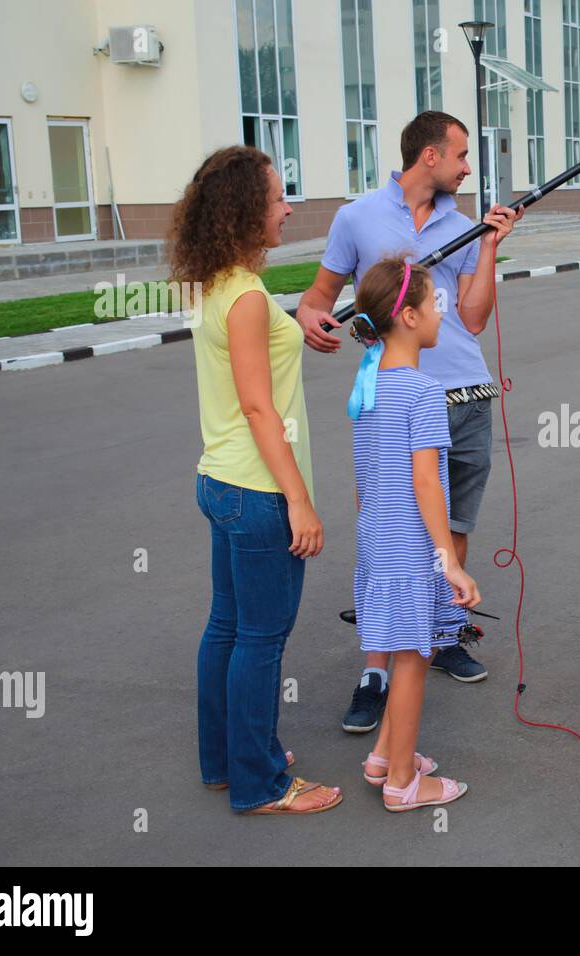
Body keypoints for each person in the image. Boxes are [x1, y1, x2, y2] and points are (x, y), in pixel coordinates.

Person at [293, 111, 519, 730]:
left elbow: (472, 319)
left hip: (464, 392)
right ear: (429, 157)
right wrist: (307, 318)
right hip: (391, 396)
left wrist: (490, 246)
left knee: (452, 522)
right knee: (387, 531)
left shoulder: (467, 224)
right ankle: (376, 670)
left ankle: (442, 634)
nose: (467, 168)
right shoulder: (357, 217)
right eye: (461, 156)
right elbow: (317, 298)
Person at [171, 146, 341, 814]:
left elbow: (251, 351)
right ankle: (262, 782)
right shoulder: (242, 297)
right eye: (276, 197)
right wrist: (299, 500)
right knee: (261, 640)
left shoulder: (219, 282)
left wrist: (294, 319)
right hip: (256, 489)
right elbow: (257, 406)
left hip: (220, 480)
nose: (288, 207)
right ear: (246, 210)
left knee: (228, 627)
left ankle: (227, 759)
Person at [346, 255, 482, 810]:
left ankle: (384, 754)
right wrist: (448, 557)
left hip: (378, 543)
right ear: (406, 316)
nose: (440, 313)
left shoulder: (369, 387)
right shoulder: (424, 391)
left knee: (409, 652)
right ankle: (402, 781)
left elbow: (364, 480)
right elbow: (426, 480)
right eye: (433, 305)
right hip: (412, 549)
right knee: (412, 660)